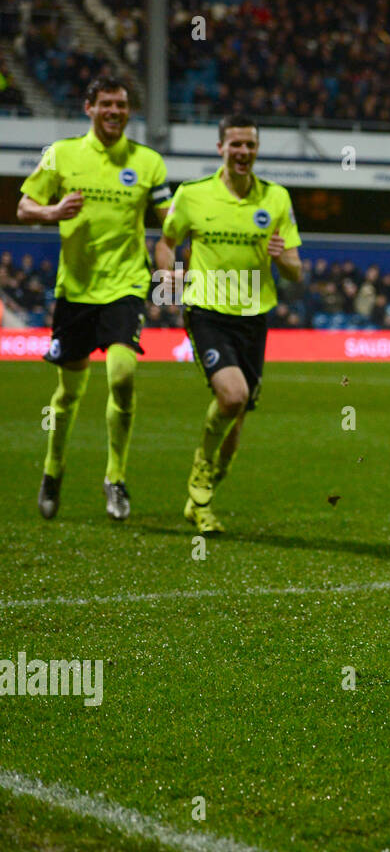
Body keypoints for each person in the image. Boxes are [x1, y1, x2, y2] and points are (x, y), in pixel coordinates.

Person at [20, 75, 172, 522]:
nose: (115, 112)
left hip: (125, 285)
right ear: (89, 107)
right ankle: (53, 469)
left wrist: (177, 263)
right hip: (76, 291)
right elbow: (24, 206)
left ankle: (115, 477)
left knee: (122, 375)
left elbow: (171, 222)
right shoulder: (61, 154)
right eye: (106, 104)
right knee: (68, 392)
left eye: (122, 105)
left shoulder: (148, 163)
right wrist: (52, 211)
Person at [155, 114, 302, 534]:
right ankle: (199, 479)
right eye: (235, 144)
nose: (243, 152)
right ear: (220, 148)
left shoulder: (276, 199)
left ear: (257, 150)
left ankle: (202, 498)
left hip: (255, 316)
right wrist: (165, 278)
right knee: (233, 395)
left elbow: (295, 270)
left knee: (236, 422)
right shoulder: (192, 194)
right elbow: (166, 243)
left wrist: (282, 256)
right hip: (207, 312)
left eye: (250, 146)